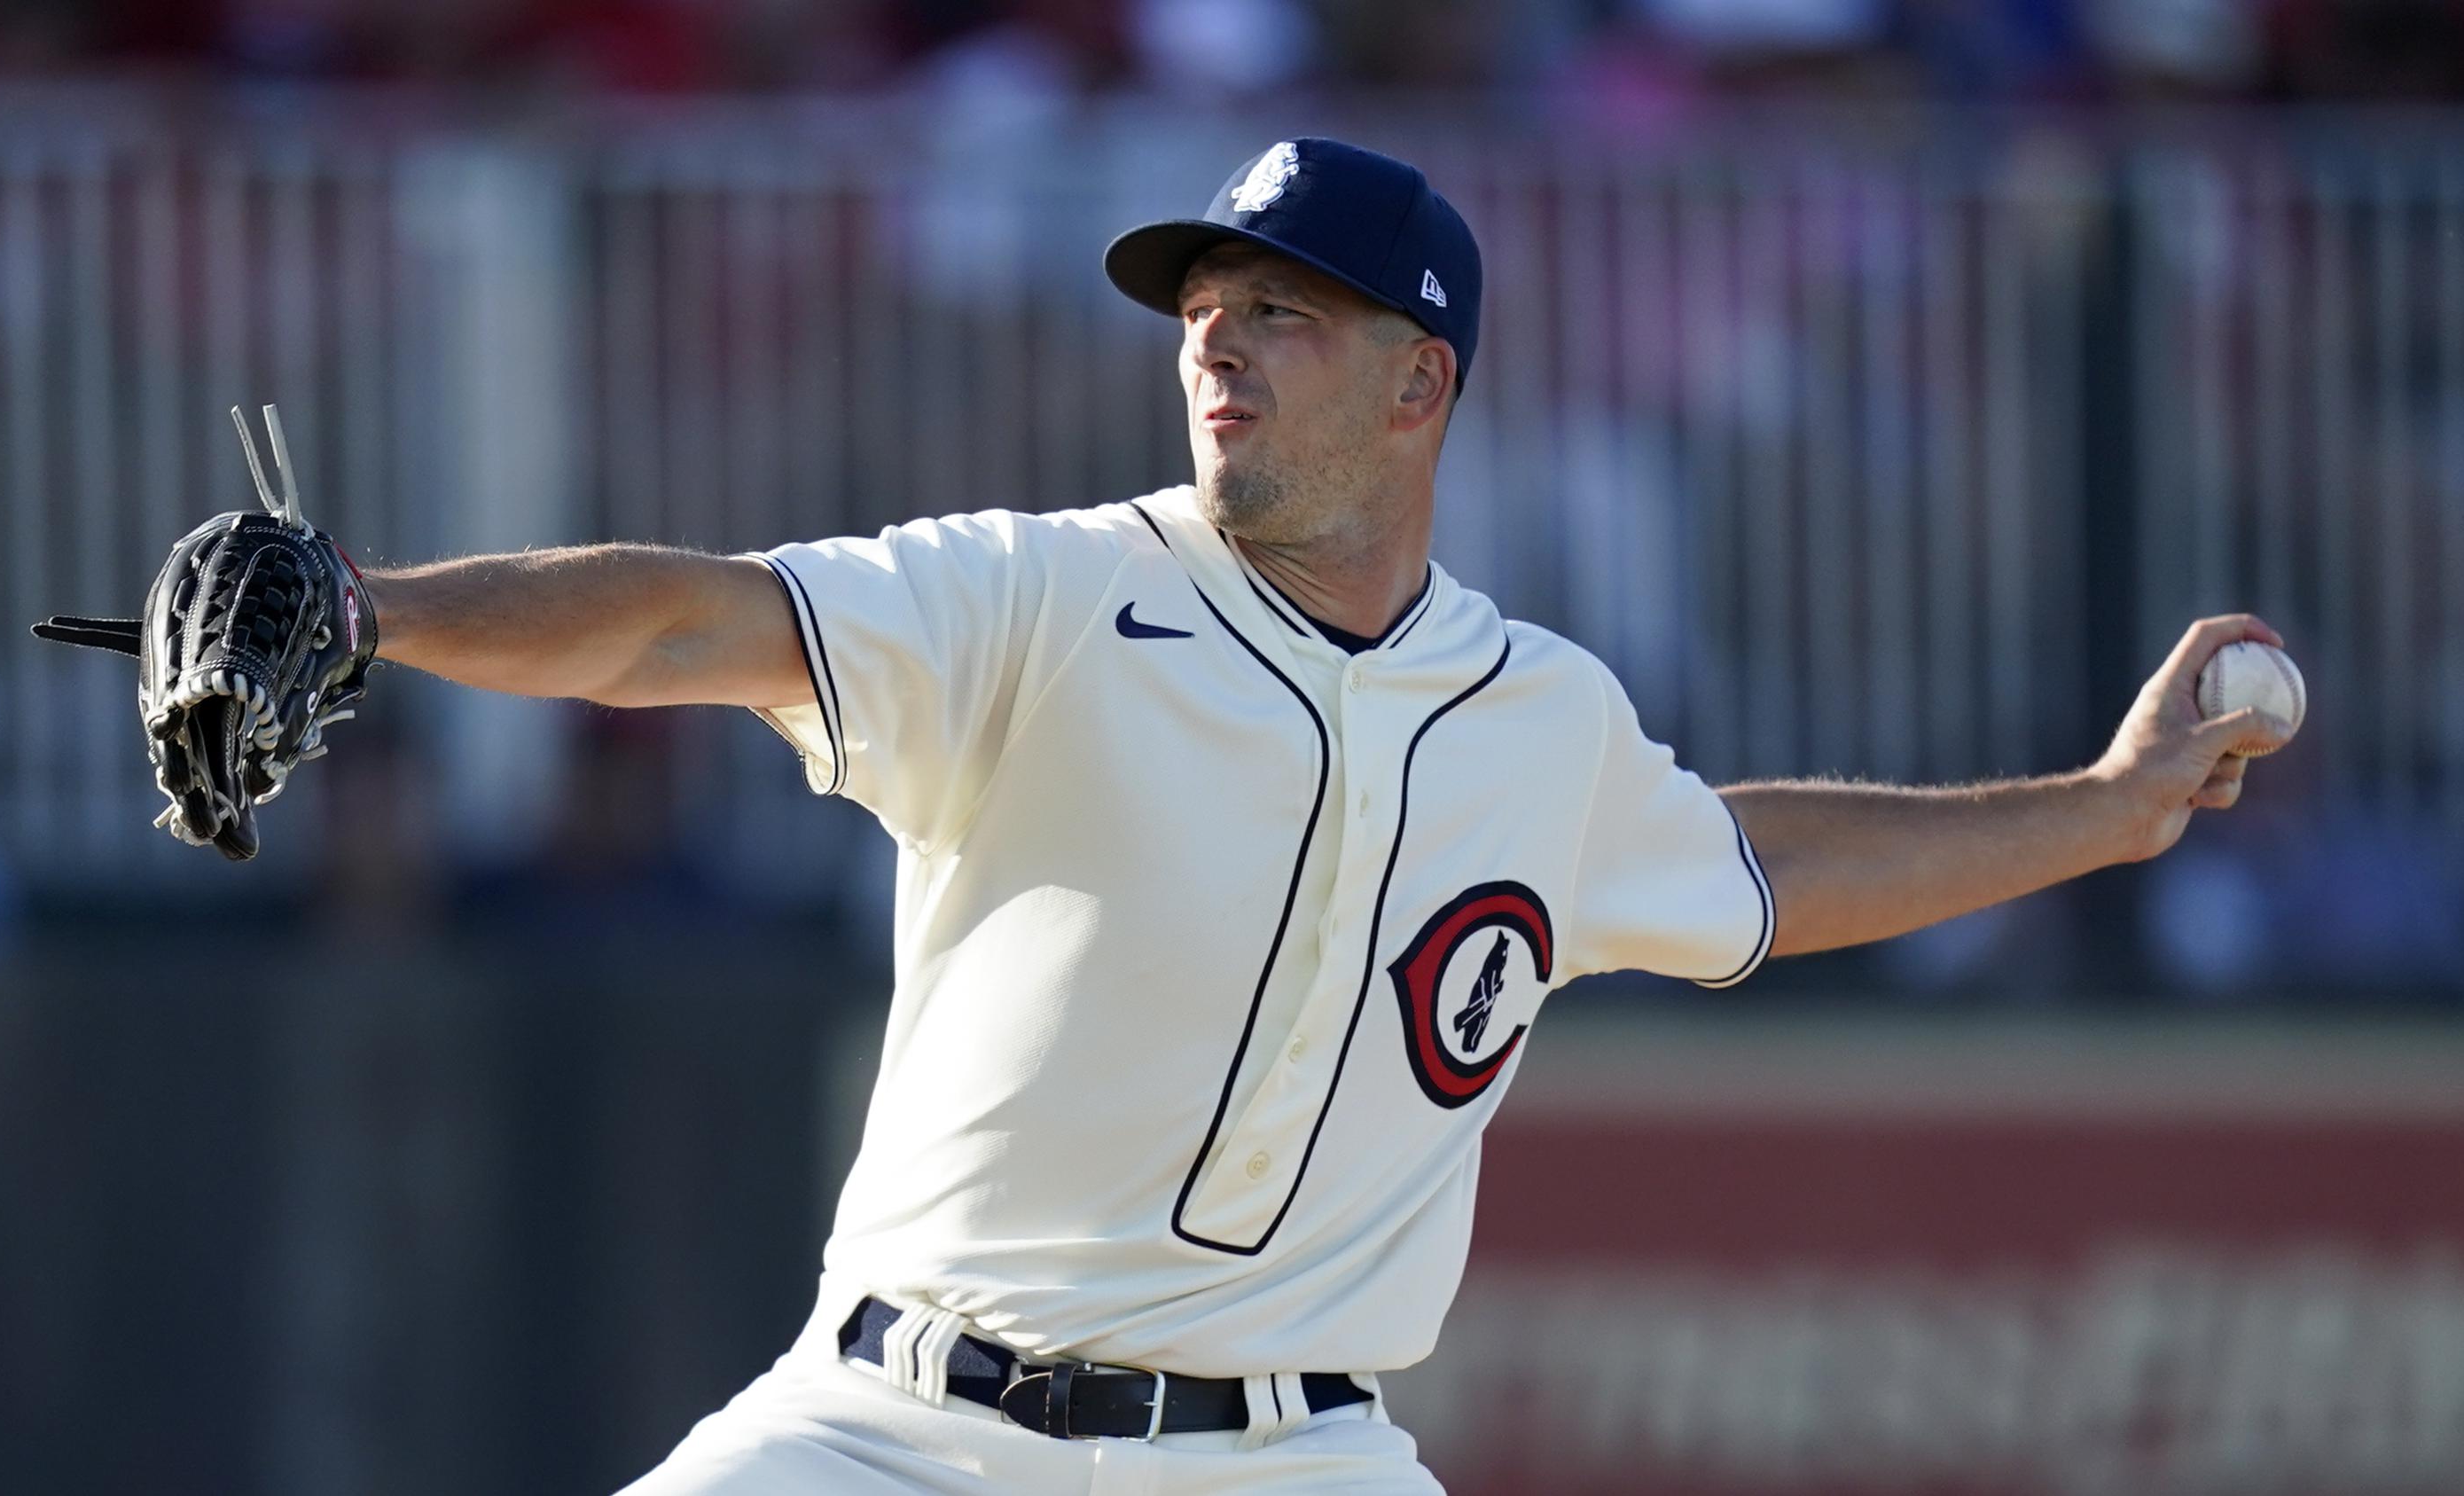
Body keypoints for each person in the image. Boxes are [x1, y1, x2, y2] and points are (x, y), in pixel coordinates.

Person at [361, 138, 2289, 1495]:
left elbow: (1754, 863)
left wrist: (2105, 815)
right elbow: (692, 615)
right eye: (1204, 305)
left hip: (1291, 1453)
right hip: (893, 1434)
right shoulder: (1038, 594)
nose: (1216, 338)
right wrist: (381, 612)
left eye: (1282, 310)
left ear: (1417, 382)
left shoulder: (1537, 716)